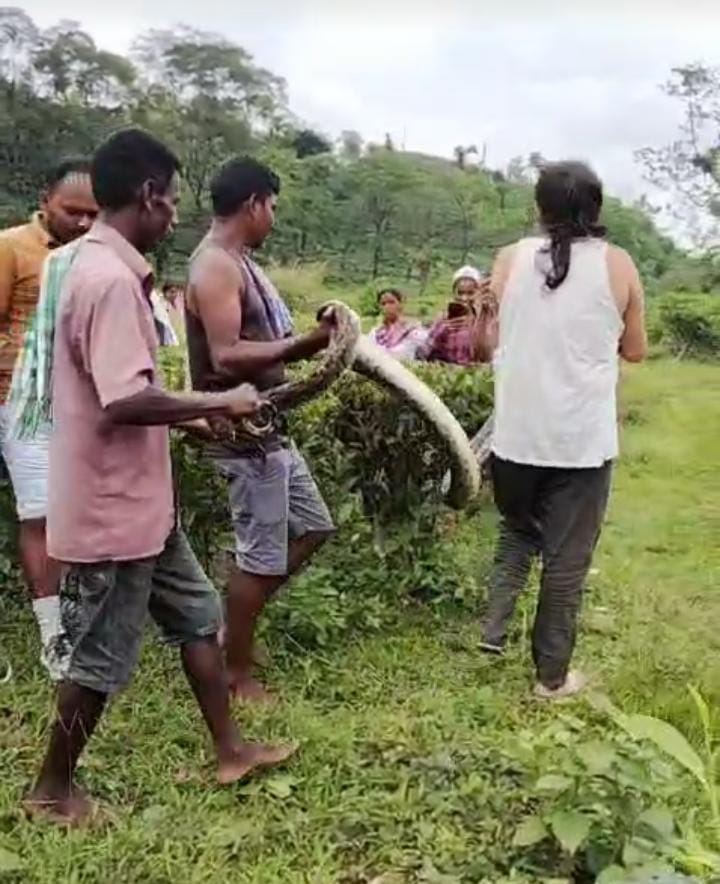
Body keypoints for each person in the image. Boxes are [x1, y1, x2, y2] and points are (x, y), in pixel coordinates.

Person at [26, 130, 292, 826]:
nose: (176, 214)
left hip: (144, 505)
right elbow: (123, 400)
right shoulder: (110, 281)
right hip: (113, 513)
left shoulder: (99, 268)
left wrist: (195, 423)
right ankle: (52, 790)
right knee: (99, 662)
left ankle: (231, 750)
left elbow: (118, 390)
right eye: (171, 201)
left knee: (199, 618)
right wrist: (217, 401)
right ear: (147, 196)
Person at [481, 160, 647, 699]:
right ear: (596, 208)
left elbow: (489, 343)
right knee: (566, 565)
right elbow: (637, 350)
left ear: (539, 208)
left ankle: (493, 633)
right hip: (580, 445)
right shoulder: (619, 266)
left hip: (514, 440)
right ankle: (551, 679)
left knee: (518, 534)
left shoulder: (509, 259)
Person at [185, 157, 335, 703]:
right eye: (272, 206)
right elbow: (225, 358)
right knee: (260, 558)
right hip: (244, 438)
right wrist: (310, 344)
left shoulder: (239, 260)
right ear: (253, 204)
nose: (272, 217)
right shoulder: (215, 266)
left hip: (270, 430)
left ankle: (236, 629)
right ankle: (235, 671)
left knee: (314, 528)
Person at [0, 158, 97, 678]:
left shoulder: (96, 254)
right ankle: (51, 634)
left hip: (80, 405)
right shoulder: (12, 247)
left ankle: (74, 616)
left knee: (71, 514)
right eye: (72, 211)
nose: (83, 222)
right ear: (45, 200)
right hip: (21, 405)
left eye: (93, 214)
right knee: (40, 516)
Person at [419, 265, 495, 365]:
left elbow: (491, 354)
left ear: (478, 293)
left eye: (470, 293)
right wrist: (442, 331)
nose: (464, 298)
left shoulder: (486, 319)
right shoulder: (443, 319)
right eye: (460, 293)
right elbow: (422, 353)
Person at [367, 288, 426, 360]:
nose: (387, 307)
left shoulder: (413, 330)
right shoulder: (375, 333)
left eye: (391, 302)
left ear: (401, 304)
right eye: (383, 304)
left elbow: (404, 353)